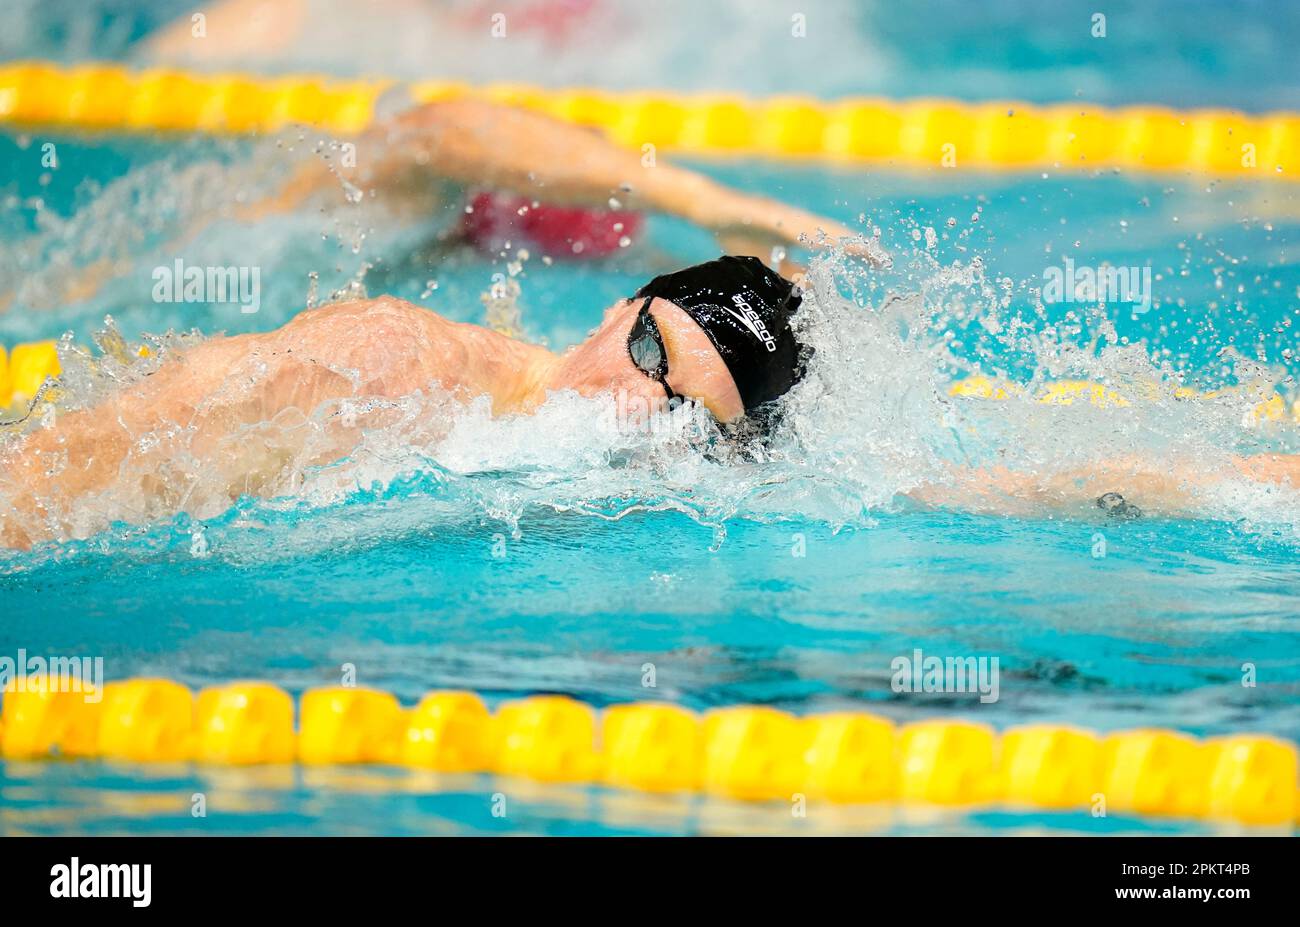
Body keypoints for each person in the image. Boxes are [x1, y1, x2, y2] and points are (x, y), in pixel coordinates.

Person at [3, 254, 1300, 551]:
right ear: (610, 310)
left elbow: (957, 487)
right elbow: (95, 459)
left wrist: (1225, 482)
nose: (639, 420)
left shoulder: (648, 497)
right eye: (643, 364)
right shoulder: (386, 362)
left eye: (686, 418)